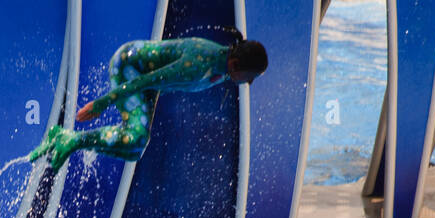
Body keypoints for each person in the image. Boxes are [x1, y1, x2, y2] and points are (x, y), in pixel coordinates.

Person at [29, 35, 268, 172]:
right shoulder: (198, 67)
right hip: (129, 65)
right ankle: (68, 139)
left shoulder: (222, 67)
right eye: (250, 78)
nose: (248, 84)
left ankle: (69, 140)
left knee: (135, 148)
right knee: (136, 140)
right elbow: (147, 80)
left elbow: (157, 83)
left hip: (147, 81)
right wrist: (101, 104)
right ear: (236, 65)